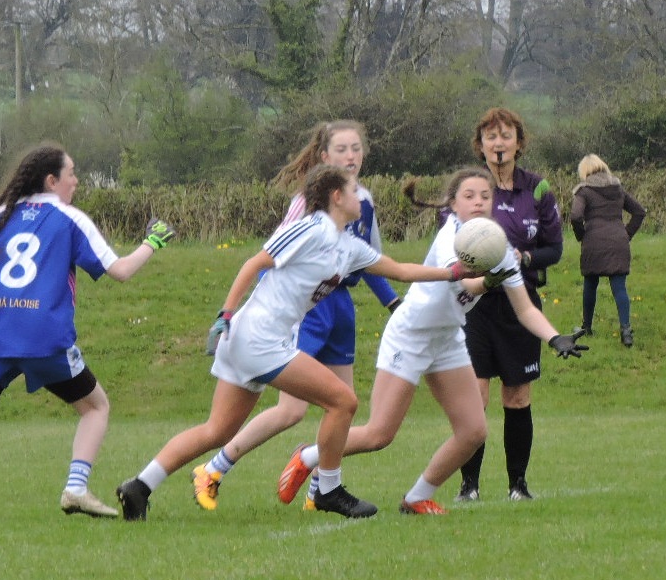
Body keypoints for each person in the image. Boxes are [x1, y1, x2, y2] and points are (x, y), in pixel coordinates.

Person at [116, 163, 477, 522]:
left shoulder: (348, 246)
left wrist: (453, 272)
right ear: (336, 197)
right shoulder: (310, 228)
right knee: (343, 401)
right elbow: (254, 262)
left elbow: (400, 270)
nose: (361, 197)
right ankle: (329, 490)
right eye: (354, 191)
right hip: (256, 337)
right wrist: (225, 313)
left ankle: (139, 486)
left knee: (218, 430)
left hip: (258, 341)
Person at [275, 168, 587, 515]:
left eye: (485, 195)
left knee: (472, 431)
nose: (479, 202)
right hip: (410, 336)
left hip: (447, 338)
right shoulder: (452, 237)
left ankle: (416, 498)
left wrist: (554, 337)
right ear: (453, 204)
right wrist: (489, 280)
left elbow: (526, 309)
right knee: (379, 434)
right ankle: (308, 456)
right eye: (469, 196)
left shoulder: (498, 246)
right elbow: (467, 284)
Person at [0, 143, 175, 520]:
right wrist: (153, 241)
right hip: (43, 337)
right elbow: (121, 271)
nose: (76, 181)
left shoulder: (2, 215)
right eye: (71, 173)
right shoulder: (69, 218)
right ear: (52, 180)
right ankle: (76, 488)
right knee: (96, 407)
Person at [191, 120, 401, 512]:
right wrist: (267, 311)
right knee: (292, 410)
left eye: (356, 148)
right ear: (324, 157)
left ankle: (319, 490)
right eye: (341, 150)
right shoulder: (309, 204)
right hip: (310, 308)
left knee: (345, 402)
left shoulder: (363, 201)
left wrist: (393, 303)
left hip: (341, 309)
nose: (351, 156)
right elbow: (278, 261)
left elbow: (372, 262)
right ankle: (214, 468)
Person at [457, 107, 565, 503]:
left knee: (517, 397)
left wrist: (526, 259)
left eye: (506, 136)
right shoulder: (469, 189)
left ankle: (518, 486)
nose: (498, 144)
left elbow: (555, 248)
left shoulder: (537, 189)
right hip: (476, 306)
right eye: (491, 137)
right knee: (476, 397)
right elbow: (449, 245)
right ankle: (468, 487)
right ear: (480, 145)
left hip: (521, 304)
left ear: (519, 142)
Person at [570, 154, 646, 347]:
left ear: (585, 171)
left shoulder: (584, 191)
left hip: (593, 243)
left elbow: (576, 216)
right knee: (619, 288)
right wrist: (626, 234)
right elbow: (639, 212)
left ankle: (586, 327)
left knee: (590, 284)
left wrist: (581, 235)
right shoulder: (618, 189)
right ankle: (626, 331)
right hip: (618, 243)